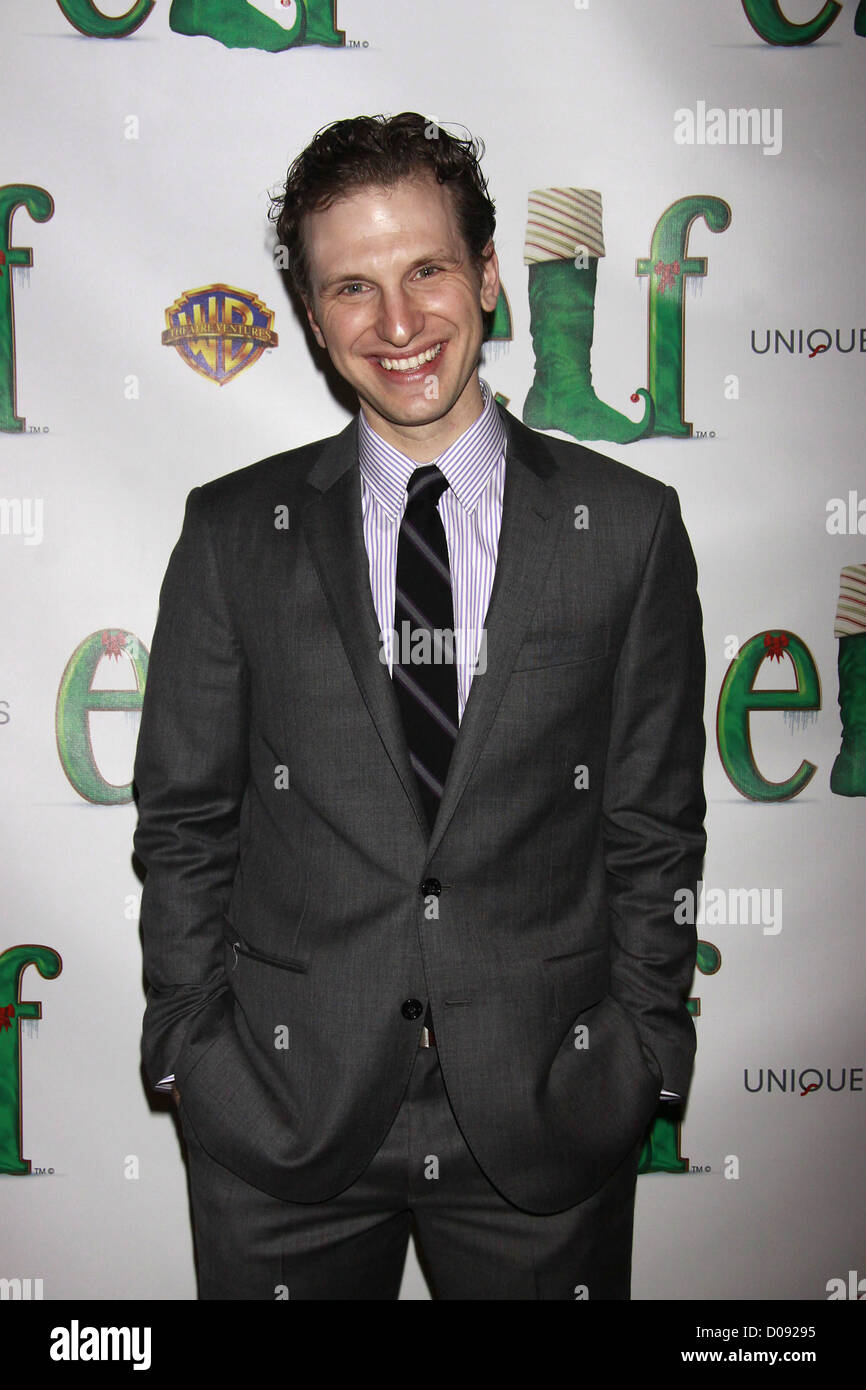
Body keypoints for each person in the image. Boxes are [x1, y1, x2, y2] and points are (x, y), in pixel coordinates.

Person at [133, 112, 706, 1301]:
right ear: (310, 316)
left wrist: (642, 1051)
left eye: (427, 270)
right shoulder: (235, 533)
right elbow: (185, 818)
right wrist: (195, 1050)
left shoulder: (628, 529)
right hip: (282, 1122)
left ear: (489, 276)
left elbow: (651, 825)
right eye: (351, 286)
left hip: (545, 1119)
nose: (397, 325)